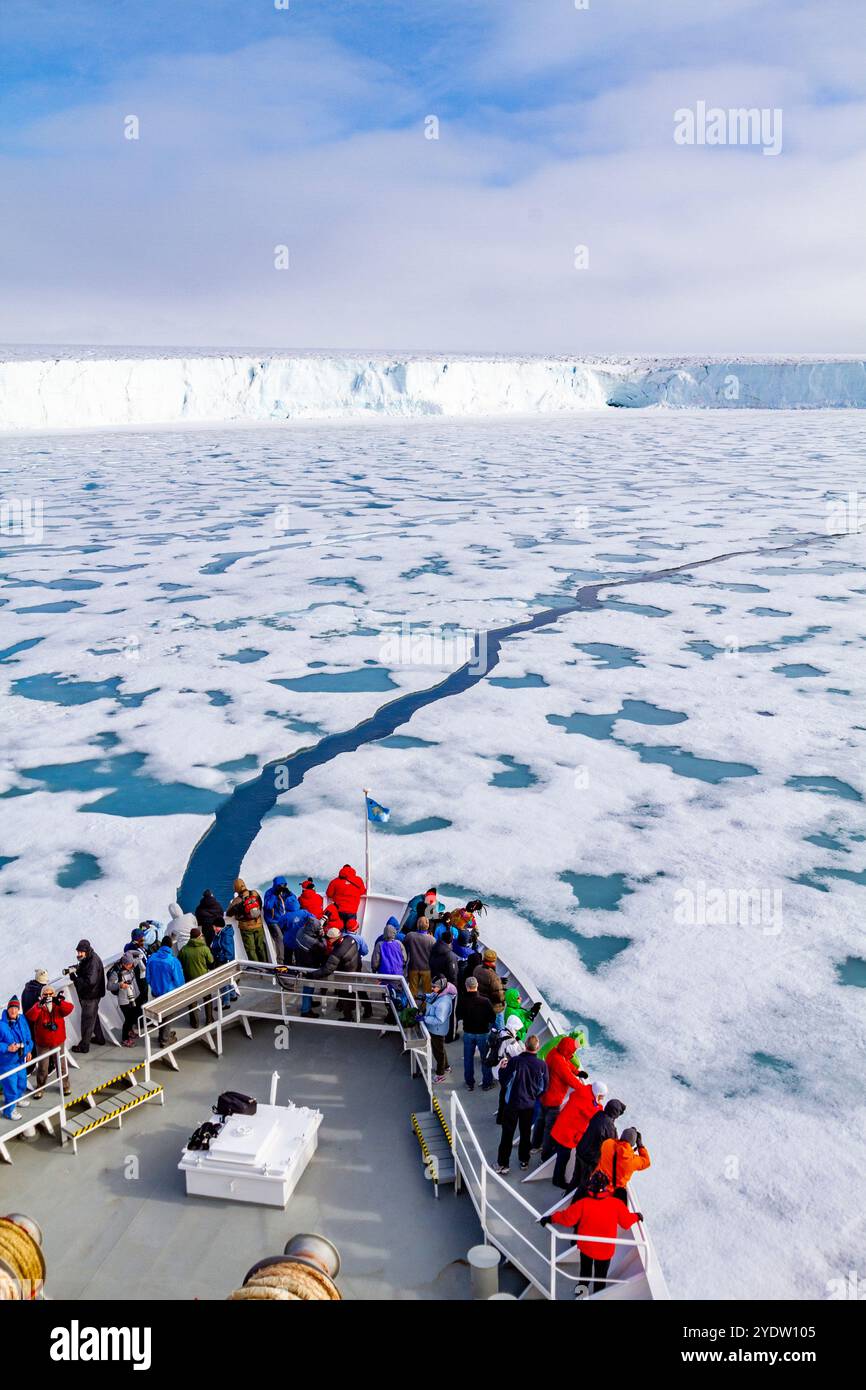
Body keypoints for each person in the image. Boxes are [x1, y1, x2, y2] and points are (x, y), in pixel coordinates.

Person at [545, 1170, 642, 1296]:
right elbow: (626, 1222)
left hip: (586, 1247)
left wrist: (550, 1218)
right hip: (605, 1250)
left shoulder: (583, 1203)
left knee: (585, 1272)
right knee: (600, 1278)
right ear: (607, 1188)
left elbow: (567, 1218)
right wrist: (637, 1216)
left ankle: (580, 1293)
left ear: (590, 1187)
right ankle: (597, 1296)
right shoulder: (616, 1204)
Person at [495, 1035, 548, 1173]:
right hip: (529, 1105)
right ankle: (524, 1161)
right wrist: (533, 1097)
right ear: (538, 1047)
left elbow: (504, 1080)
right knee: (525, 1134)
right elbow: (543, 1087)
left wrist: (501, 1069)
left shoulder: (516, 1061)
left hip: (512, 1103)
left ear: (525, 1045)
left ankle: (503, 1164)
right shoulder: (542, 1065)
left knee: (507, 1134)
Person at [550, 1081, 609, 1189]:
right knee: (563, 1158)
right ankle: (557, 1180)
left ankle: (547, 1161)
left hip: (561, 1127)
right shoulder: (587, 1103)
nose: (602, 1099)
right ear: (596, 1094)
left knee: (558, 1152)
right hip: (567, 1134)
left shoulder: (583, 1091)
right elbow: (595, 1114)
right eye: (601, 1096)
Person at [531, 1036, 583, 1157]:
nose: (572, 1054)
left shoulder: (554, 1052)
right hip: (553, 1100)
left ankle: (535, 1145)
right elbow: (570, 1079)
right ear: (567, 1050)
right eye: (572, 1052)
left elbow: (567, 1064)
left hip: (544, 1096)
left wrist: (577, 1072)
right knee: (550, 1128)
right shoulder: (559, 1062)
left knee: (540, 1122)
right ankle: (545, 1155)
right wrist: (586, 1089)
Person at [568, 1098, 627, 1195]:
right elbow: (613, 1143)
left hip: (581, 1150)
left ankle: (567, 1195)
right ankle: (574, 1203)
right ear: (615, 1114)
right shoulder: (609, 1126)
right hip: (589, 1159)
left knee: (575, 1178)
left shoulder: (598, 1114)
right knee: (583, 1184)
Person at [26, 984, 73, 1096]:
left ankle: (65, 1086)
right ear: (41, 996)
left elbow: (69, 1009)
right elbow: (31, 1017)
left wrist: (59, 1002)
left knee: (61, 1065)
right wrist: (39, 1006)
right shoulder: (38, 1005)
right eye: (45, 994)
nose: (48, 996)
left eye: (50, 994)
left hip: (58, 1041)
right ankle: (40, 1088)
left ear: (54, 994)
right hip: (43, 1043)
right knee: (42, 1067)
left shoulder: (58, 1004)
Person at [314, 927, 360, 1021]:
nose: (328, 940)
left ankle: (348, 1017)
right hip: (355, 970)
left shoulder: (337, 952)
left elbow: (327, 970)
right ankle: (352, 1007)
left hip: (345, 976)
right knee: (351, 992)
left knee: (344, 995)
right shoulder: (350, 939)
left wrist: (312, 974)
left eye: (328, 938)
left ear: (333, 938)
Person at [145, 937, 184, 1047]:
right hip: (168, 993)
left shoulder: (152, 958)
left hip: (156, 992)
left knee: (161, 1014)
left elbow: (148, 977)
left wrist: (155, 986)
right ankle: (164, 1039)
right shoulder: (173, 961)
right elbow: (179, 981)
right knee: (168, 1015)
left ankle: (163, 1034)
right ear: (171, 946)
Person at [69, 939, 106, 1053]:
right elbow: (86, 969)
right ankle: (100, 1039)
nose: (79, 954)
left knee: (87, 1020)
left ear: (86, 951)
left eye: (81, 952)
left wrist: (76, 979)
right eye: (78, 952)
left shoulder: (93, 961)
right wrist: (76, 968)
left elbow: (90, 981)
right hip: (93, 994)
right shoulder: (90, 958)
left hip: (90, 996)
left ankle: (84, 1046)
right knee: (93, 1017)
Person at [460, 976, 496, 1091]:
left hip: (468, 1033)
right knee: (485, 1058)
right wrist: (487, 1028)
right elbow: (492, 1017)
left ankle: (469, 1083)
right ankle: (487, 1083)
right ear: (477, 986)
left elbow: (459, 1015)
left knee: (468, 1059)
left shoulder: (463, 1000)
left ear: (466, 987)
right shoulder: (485, 1001)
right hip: (483, 1034)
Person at [0, 997, 33, 1118]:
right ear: (8, 1009)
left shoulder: (22, 1020)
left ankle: (17, 1100)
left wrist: (28, 1050)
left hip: (20, 1059)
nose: (13, 1011)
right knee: (11, 1088)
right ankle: (9, 1111)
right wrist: (7, 1048)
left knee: (21, 1082)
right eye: (11, 1008)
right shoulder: (1, 1025)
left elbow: (28, 1037)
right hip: (7, 1063)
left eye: (16, 1008)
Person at [596, 1128, 651, 1200]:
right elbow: (647, 1162)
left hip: (598, 1184)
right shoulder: (632, 1161)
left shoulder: (607, 1144)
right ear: (633, 1143)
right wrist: (640, 1146)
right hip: (613, 1193)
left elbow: (614, 1143)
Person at [179, 927, 215, 1028]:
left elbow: (179, 963)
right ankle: (209, 1019)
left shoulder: (184, 949)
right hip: (203, 978)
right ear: (199, 936)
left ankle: (194, 1023)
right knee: (207, 998)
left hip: (189, 979)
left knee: (192, 1001)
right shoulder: (204, 948)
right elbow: (211, 961)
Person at [371, 923, 408, 1021]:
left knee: (386, 995)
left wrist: (374, 970)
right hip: (398, 975)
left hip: (384, 976)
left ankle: (391, 1015)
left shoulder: (380, 944)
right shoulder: (399, 944)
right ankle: (397, 1016)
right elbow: (404, 958)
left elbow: (375, 961)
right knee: (397, 995)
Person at [493, 1014, 526, 1122]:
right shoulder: (511, 1041)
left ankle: (500, 1111)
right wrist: (520, 1042)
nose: (517, 1031)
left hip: (496, 1066)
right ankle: (501, 1117)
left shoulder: (501, 1031)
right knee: (505, 1092)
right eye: (516, 1029)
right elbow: (520, 1054)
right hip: (503, 1070)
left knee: (502, 1092)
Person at [421, 976, 453, 1082]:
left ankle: (440, 1074)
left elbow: (439, 1019)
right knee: (440, 1048)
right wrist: (425, 996)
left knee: (438, 1052)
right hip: (435, 1028)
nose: (432, 989)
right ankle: (446, 1066)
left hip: (437, 1030)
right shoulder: (440, 993)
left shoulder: (444, 1003)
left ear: (441, 987)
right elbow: (433, 996)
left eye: (434, 987)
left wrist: (424, 1018)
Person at [226, 878, 267, 962]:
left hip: (246, 928)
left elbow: (228, 913)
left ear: (236, 888)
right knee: (261, 946)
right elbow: (260, 904)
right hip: (258, 924)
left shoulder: (237, 900)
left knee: (250, 949)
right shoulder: (254, 893)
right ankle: (267, 965)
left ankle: (257, 968)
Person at [294, 915, 326, 1017]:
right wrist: (322, 937)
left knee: (308, 986)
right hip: (309, 965)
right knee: (308, 986)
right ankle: (305, 1010)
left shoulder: (301, 931)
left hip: (300, 961)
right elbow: (323, 948)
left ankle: (309, 1002)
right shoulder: (313, 942)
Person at [107, 953, 142, 1045]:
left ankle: (130, 1032)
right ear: (124, 964)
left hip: (133, 996)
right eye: (129, 965)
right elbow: (109, 986)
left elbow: (139, 955)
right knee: (128, 1019)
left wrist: (131, 953)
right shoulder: (116, 972)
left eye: (131, 964)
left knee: (133, 1016)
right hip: (124, 1000)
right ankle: (125, 1039)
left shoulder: (131, 963)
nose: (132, 966)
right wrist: (120, 985)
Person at [209, 917, 239, 1011]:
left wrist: (219, 957)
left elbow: (228, 951)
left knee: (222, 982)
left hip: (223, 961)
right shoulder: (222, 933)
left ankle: (225, 1003)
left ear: (220, 926)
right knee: (228, 979)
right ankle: (232, 995)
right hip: (223, 961)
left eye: (215, 926)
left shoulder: (225, 935)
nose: (213, 928)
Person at [263, 875, 293, 964]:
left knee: (290, 936)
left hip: (283, 919)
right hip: (273, 921)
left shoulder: (284, 892)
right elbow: (268, 906)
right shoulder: (269, 893)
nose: (282, 887)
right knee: (280, 938)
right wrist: (275, 895)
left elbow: (293, 902)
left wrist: (289, 893)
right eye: (280, 885)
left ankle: (290, 959)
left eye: (284, 885)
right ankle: (280, 961)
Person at [404, 918, 435, 1001]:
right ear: (427, 926)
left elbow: (404, 944)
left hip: (413, 966)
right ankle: (424, 1009)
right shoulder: (432, 939)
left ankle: (411, 1009)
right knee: (427, 992)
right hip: (426, 968)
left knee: (412, 990)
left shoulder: (410, 935)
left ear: (417, 925)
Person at [473, 949, 505, 1026]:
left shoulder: (477, 968)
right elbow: (499, 997)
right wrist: (501, 984)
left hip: (479, 1001)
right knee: (499, 1027)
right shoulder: (493, 977)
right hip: (491, 1007)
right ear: (494, 960)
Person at [122, 929, 150, 1006]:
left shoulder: (134, 946)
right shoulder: (134, 948)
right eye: (142, 937)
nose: (144, 938)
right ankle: (142, 1011)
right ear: (138, 938)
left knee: (143, 992)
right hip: (141, 974)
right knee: (144, 993)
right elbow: (142, 962)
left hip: (140, 973)